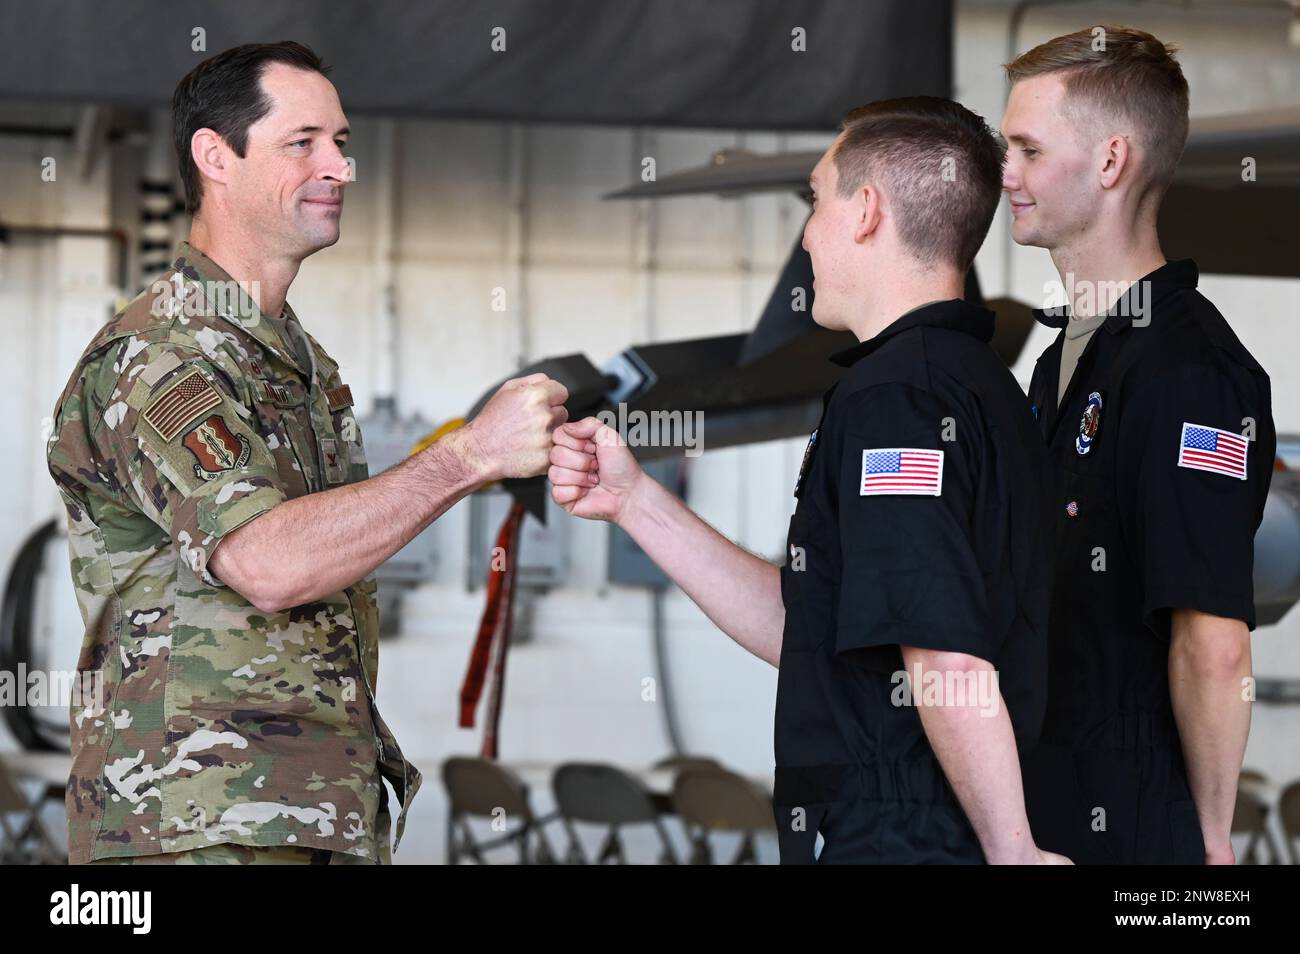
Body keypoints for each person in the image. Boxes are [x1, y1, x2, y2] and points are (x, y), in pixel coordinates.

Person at [46, 41, 567, 864]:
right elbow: (268, 563)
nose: (340, 167)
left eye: (343, 143)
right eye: (304, 143)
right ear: (215, 156)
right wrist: (468, 456)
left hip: (300, 815)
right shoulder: (162, 355)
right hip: (197, 823)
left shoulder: (291, 358)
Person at [550, 98, 1067, 864]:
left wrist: (1012, 849)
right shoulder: (967, 384)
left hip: (914, 837)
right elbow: (815, 635)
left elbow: (944, 655)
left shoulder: (900, 398)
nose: (806, 235)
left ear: (866, 212)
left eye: (816, 202)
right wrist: (633, 501)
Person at [1001, 26, 1275, 864]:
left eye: (1027, 148)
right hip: (1044, 811)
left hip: (1133, 831)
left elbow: (1214, 640)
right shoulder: (1061, 361)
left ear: (1112, 161)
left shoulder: (1189, 372)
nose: (1004, 174)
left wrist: (1213, 845)